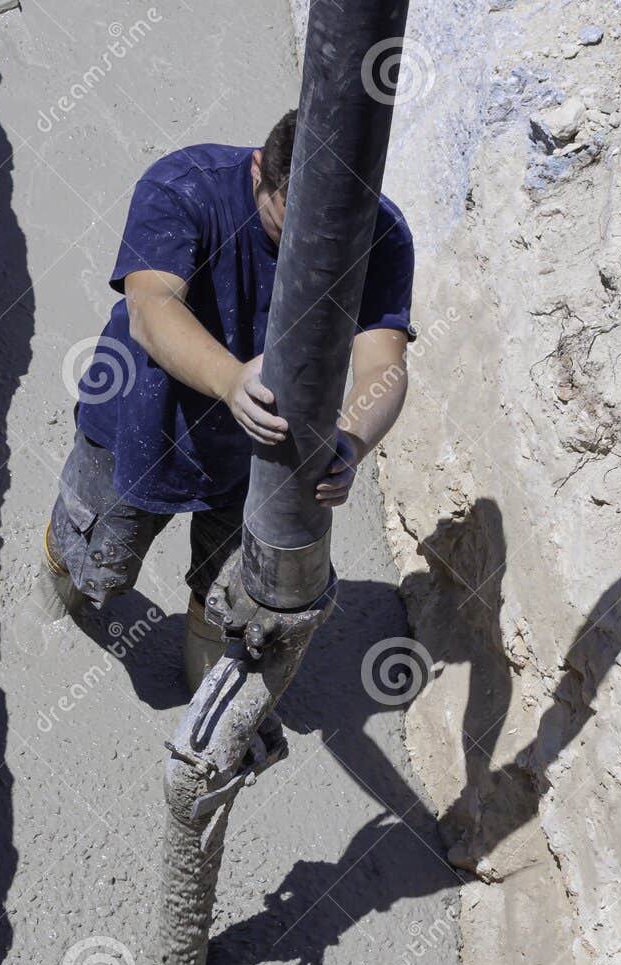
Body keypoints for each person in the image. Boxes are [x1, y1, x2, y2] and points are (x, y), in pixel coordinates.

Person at [41, 109, 416, 687]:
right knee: (94, 566)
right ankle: (54, 600)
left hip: (265, 458)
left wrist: (352, 439)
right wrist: (232, 381)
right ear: (260, 171)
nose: (309, 251)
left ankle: (204, 696)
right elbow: (150, 309)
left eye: (330, 240)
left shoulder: (378, 232)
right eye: (289, 225)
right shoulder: (183, 185)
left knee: (229, 605)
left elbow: (384, 366)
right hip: (141, 420)